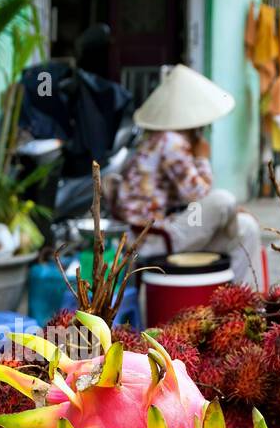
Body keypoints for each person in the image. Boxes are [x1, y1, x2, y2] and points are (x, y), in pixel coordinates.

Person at [113, 64, 265, 287]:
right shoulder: (171, 142)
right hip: (154, 237)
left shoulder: (159, 139)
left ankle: (245, 305)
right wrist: (202, 157)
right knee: (224, 200)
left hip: (164, 230)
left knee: (247, 228)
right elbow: (197, 194)